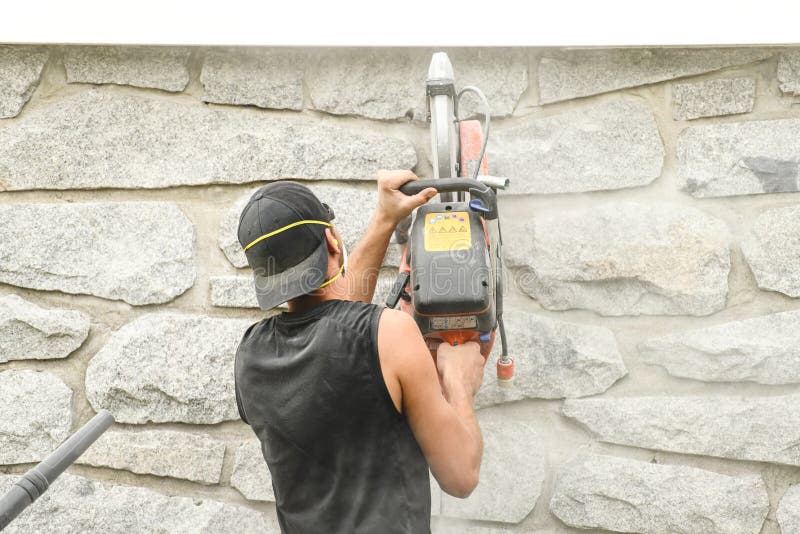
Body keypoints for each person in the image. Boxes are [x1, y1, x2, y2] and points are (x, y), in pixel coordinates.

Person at [233, 170, 486, 533]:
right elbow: (461, 476)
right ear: (332, 241)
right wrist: (460, 383)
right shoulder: (390, 333)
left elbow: (336, 322)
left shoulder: (250, 357)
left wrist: (386, 219)